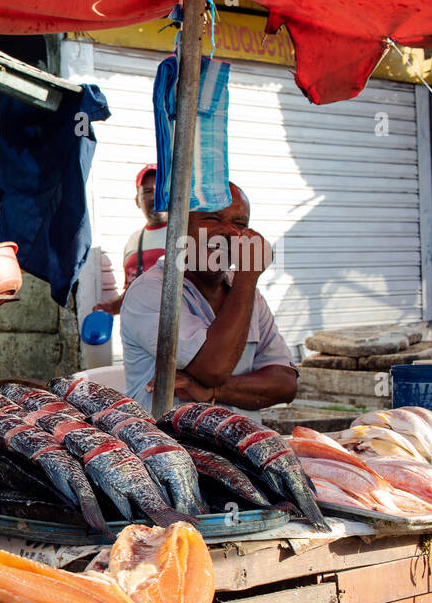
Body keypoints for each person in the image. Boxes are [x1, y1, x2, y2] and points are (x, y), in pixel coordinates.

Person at [120, 182, 296, 418]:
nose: (229, 232)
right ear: (179, 225)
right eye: (212, 219)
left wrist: (212, 391)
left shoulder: (247, 291)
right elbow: (212, 369)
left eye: (240, 224)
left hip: (240, 447)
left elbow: (285, 384)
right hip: (166, 450)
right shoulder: (151, 291)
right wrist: (247, 276)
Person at [95, 164, 168, 315]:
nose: (154, 196)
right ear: (137, 200)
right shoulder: (133, 242)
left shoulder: (185, 235)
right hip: (138, 335)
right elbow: (132, 292)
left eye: (160, 189)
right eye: (147, 191)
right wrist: (111, 307)